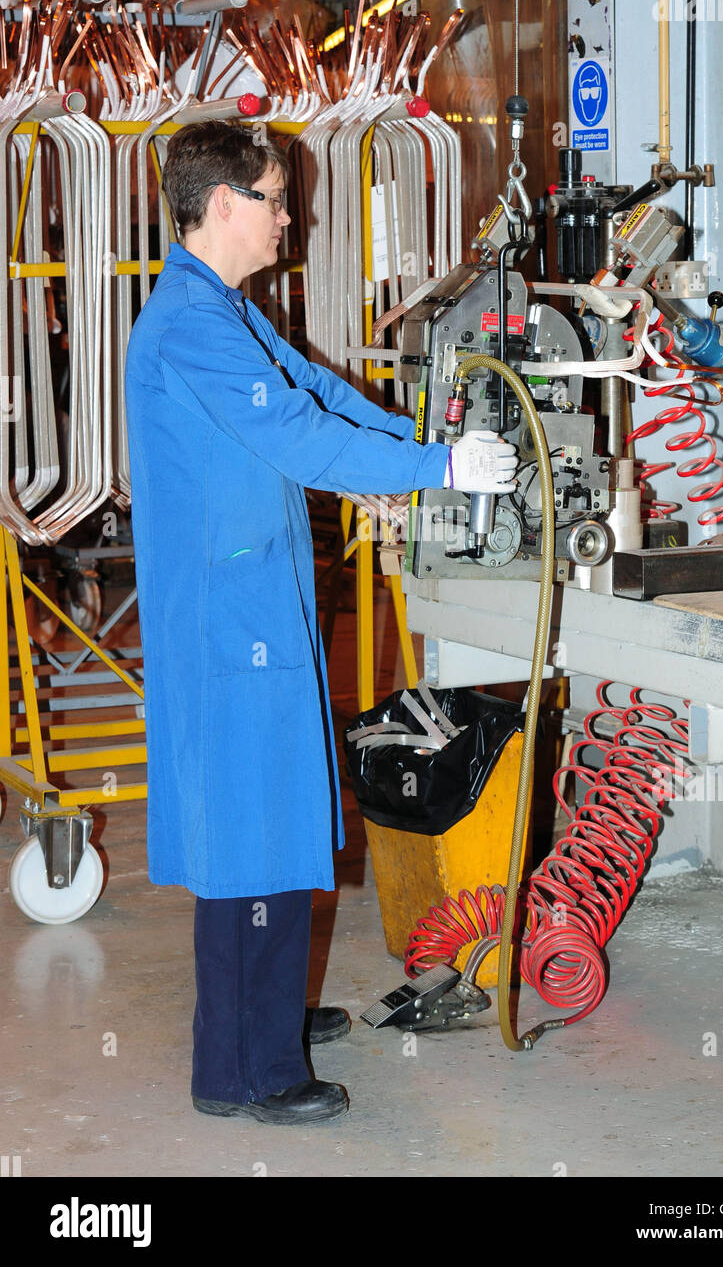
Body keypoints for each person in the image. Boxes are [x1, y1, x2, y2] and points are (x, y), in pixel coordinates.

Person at [124, 120, 517, 1126]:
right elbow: (296, 434)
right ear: (224, 207)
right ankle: (253, 1070)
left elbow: (315, 390)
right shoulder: (188, 324)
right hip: (225, 619)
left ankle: (259, 1026)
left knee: (267, 822)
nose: (288, 216)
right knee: (250, 837)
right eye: (274, 196)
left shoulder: (224, 308)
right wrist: (436, 471)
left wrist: (428, 437)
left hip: (254, 601)